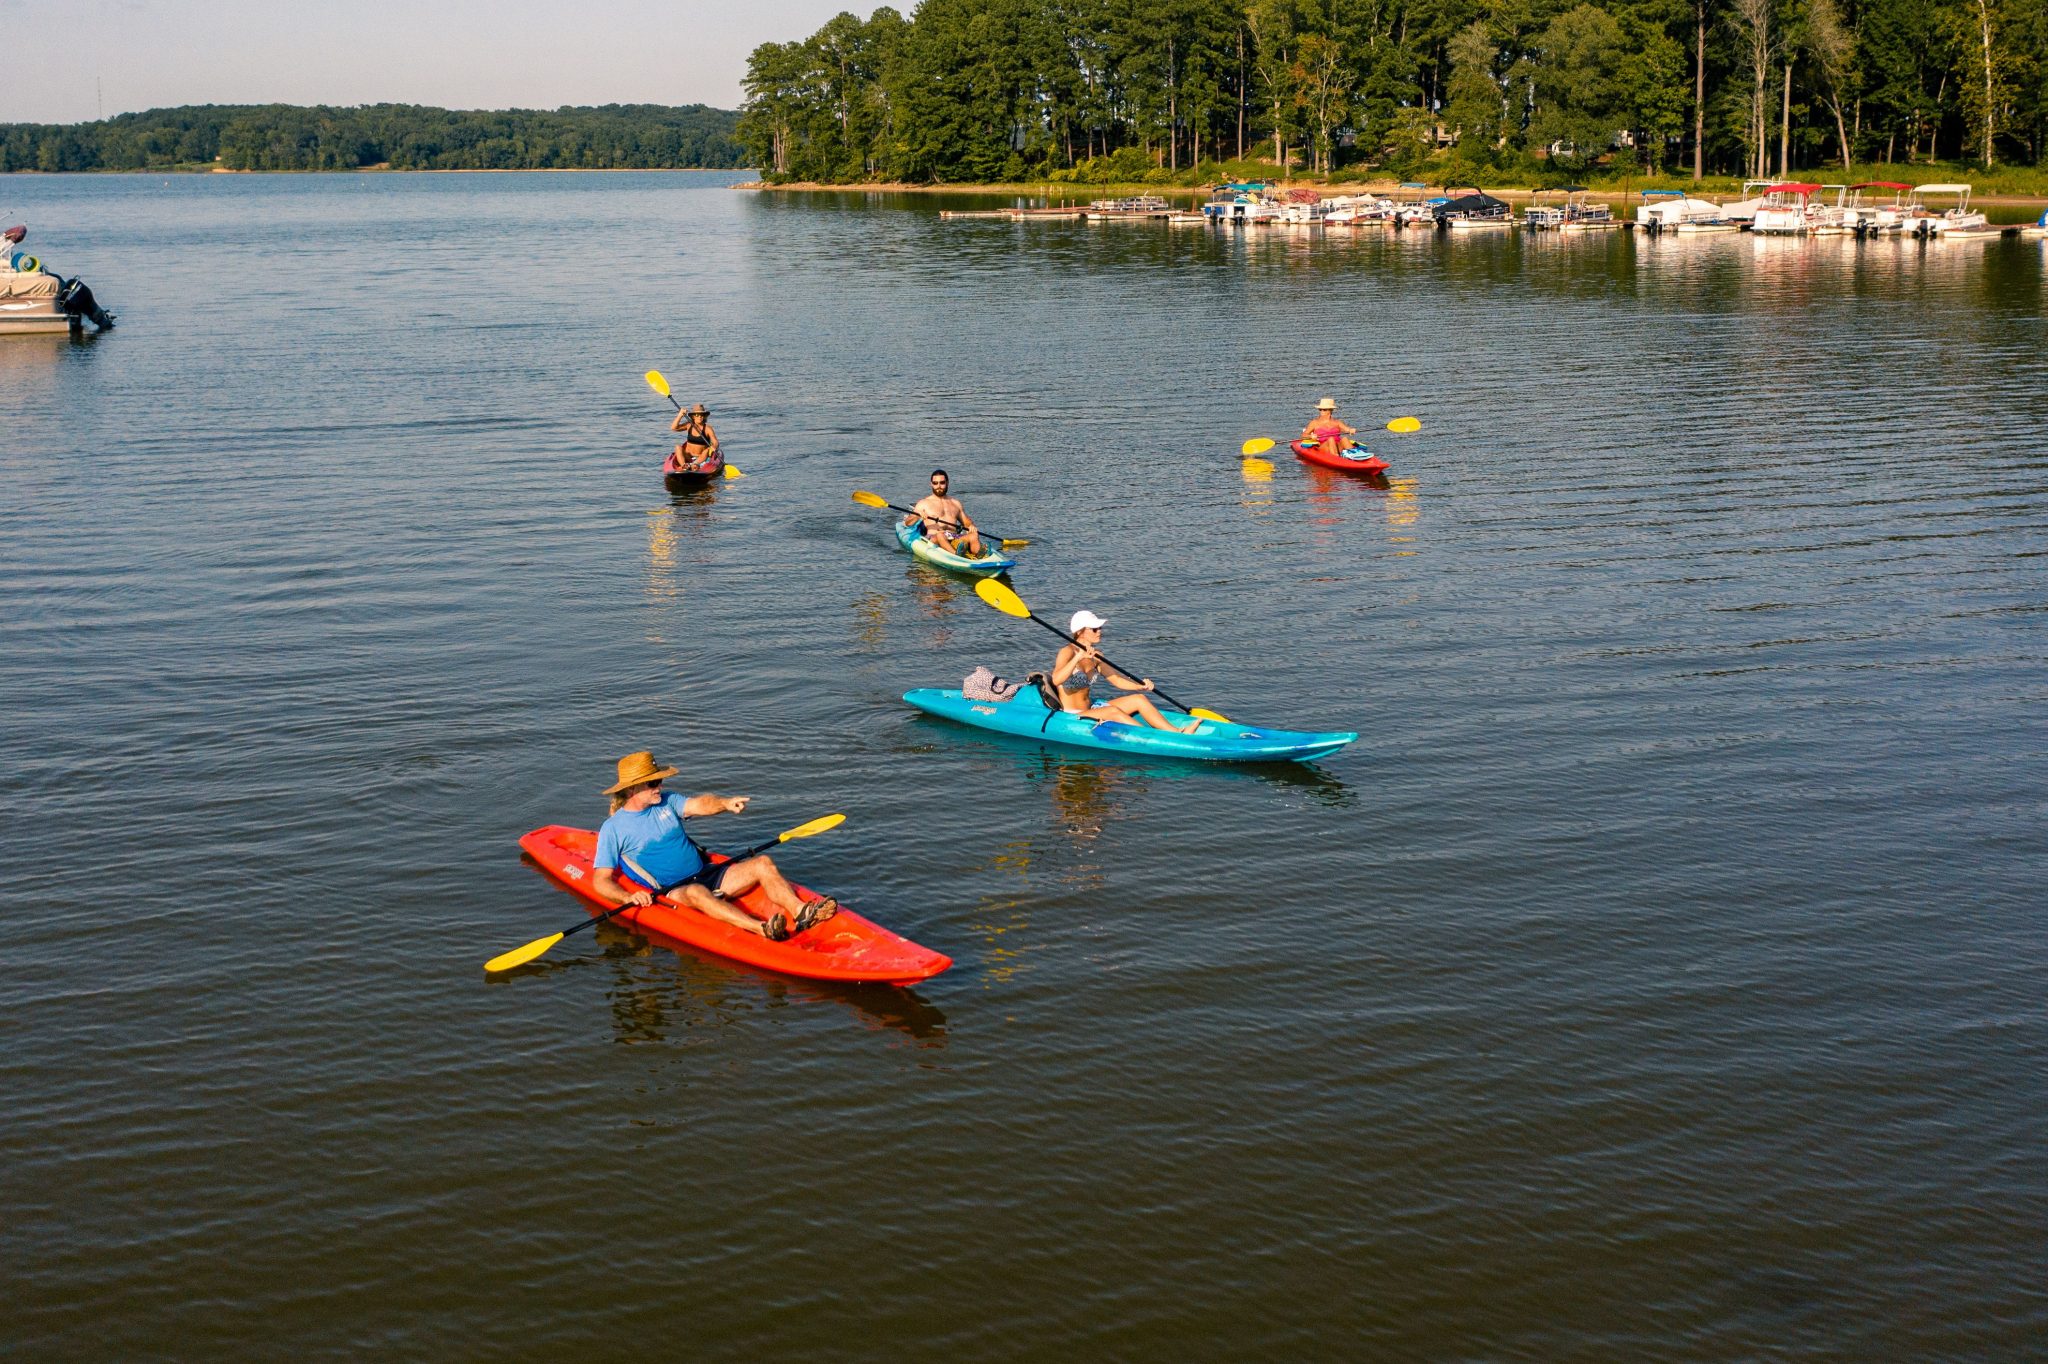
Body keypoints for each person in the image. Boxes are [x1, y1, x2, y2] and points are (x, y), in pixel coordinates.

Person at [589, 751, 835, 942]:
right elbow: (601, 879)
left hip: (709, 873)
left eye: (660, 781)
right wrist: (628, 896)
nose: (659, 787)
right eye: (653, 784)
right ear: (633, 789)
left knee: (762, 863)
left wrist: (725, 803)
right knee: (696, 892)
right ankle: (761, 928)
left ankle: (802, 912)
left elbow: (701, 804)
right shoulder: (614, 828)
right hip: (674, 891)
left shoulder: (666, 801)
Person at [1051, 610, 1199, 733]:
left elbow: (1116, 680)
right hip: (1071, 715)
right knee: (1113, 712)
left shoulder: (1097, 656)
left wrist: (1140, 686)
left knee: (1139, 698)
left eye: (1100, 628)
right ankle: (1154, 738)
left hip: (1091, 708)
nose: (1099, 632)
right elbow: (1057, 680)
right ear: (1080, 632)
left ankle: (1177, 732)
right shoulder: (1067, 652)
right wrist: (1077, 657)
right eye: (1095, 629)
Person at [902, 469, 984, 558]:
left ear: (947, 483)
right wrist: (917, 515)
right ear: (931, 484)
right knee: (940, 535)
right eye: (935, 483)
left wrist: (971, 526)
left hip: (953, 537)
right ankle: (956, 555)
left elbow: (966, 522)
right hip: (934, 538)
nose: (939, 486)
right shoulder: (923, 503)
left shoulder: (956, 503)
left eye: (942, 482)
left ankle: (979, 555)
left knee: (973, 535)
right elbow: (907, 523)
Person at [668, 403, 720, 471]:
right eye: (697, 415)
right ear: (693, 417)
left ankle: (694, 465)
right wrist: (680, 415)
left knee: (707, 450)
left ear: (704, 416)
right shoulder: (689, 425)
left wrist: (714, 447)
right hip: (688, 457)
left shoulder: (707, 428)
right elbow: (673, 428)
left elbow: (715, 441)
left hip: (701, 458)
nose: (700, 417)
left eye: (702, 415)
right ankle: (684, 465)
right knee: (677, 447)